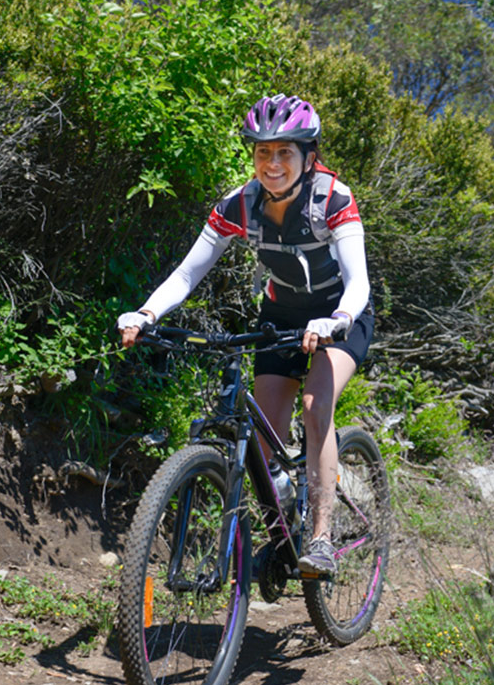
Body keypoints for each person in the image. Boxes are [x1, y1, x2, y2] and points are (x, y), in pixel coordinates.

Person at [116, 94, 373, 576]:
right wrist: (146, 312)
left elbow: (358, 281)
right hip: (281, 318)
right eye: (262, 153)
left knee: (317, 408)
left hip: (341, 316)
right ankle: (284, 529)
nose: (272, 164)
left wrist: (336, 318)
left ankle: (319, 539)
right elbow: (188, 273)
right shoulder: (240, 204)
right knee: (266, 435)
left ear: (308, 157)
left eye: (284, 153)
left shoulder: (332, 198)